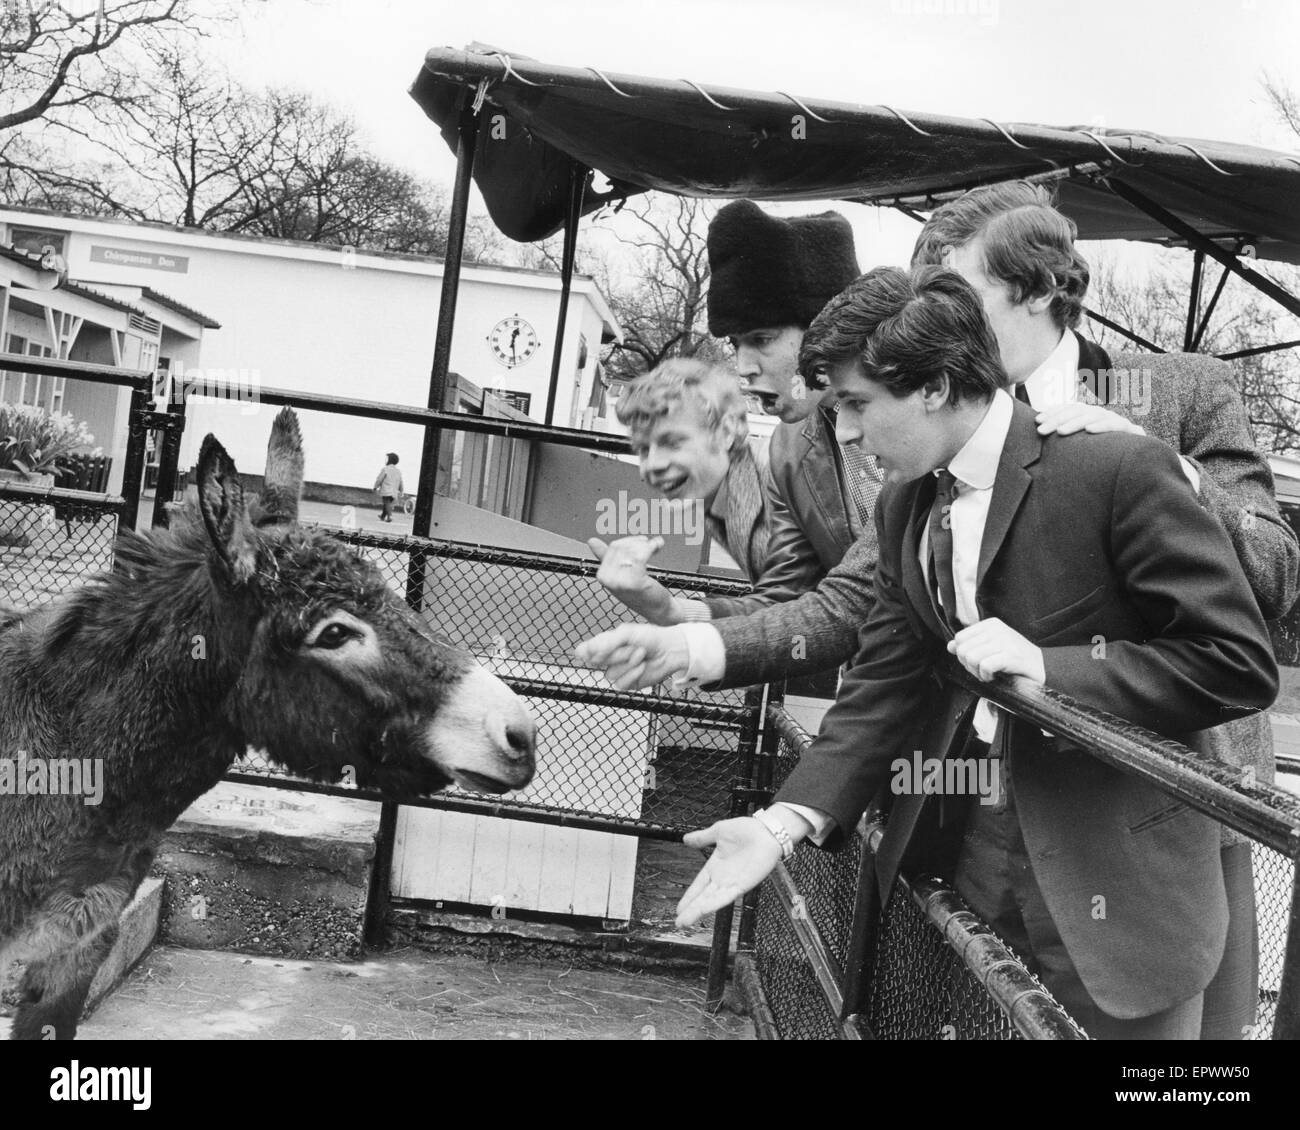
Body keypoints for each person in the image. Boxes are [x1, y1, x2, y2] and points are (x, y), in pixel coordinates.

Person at [670, 265, 1279, 1040]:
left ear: (934, 386)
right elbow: (885, 683)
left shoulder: (1114, 469)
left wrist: (1050, 672)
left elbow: (1237, 664)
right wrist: (779, 823)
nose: (847, 435)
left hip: (1115, 890)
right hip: (964, 856)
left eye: (857, 405)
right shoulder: (904, 505)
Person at [591, 201, 877, 630]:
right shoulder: (790, 449)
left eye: (762, 339)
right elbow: (791, 597)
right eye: (736, 344)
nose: (743, 367)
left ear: (827, 329)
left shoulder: (917, 418)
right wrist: (670, 611)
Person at [602, 359, 771, 582]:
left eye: (672, 443)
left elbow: (820, 605)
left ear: (726, 432)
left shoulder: (779, 481)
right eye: (643, 449)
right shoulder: (712, 498)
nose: (652, 465)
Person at [373, 452, 403, 523]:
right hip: (394, 491)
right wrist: (401, 490)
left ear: (390, 460)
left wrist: (375, 487)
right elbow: (401, 482)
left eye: (386, 459)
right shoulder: (398, 471)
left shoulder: (385, 469)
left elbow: (379, 479)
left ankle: (389, 516)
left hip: (386, 490)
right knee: (387, 504)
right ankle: (383, 516)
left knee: (386, 502)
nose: (385, 460)